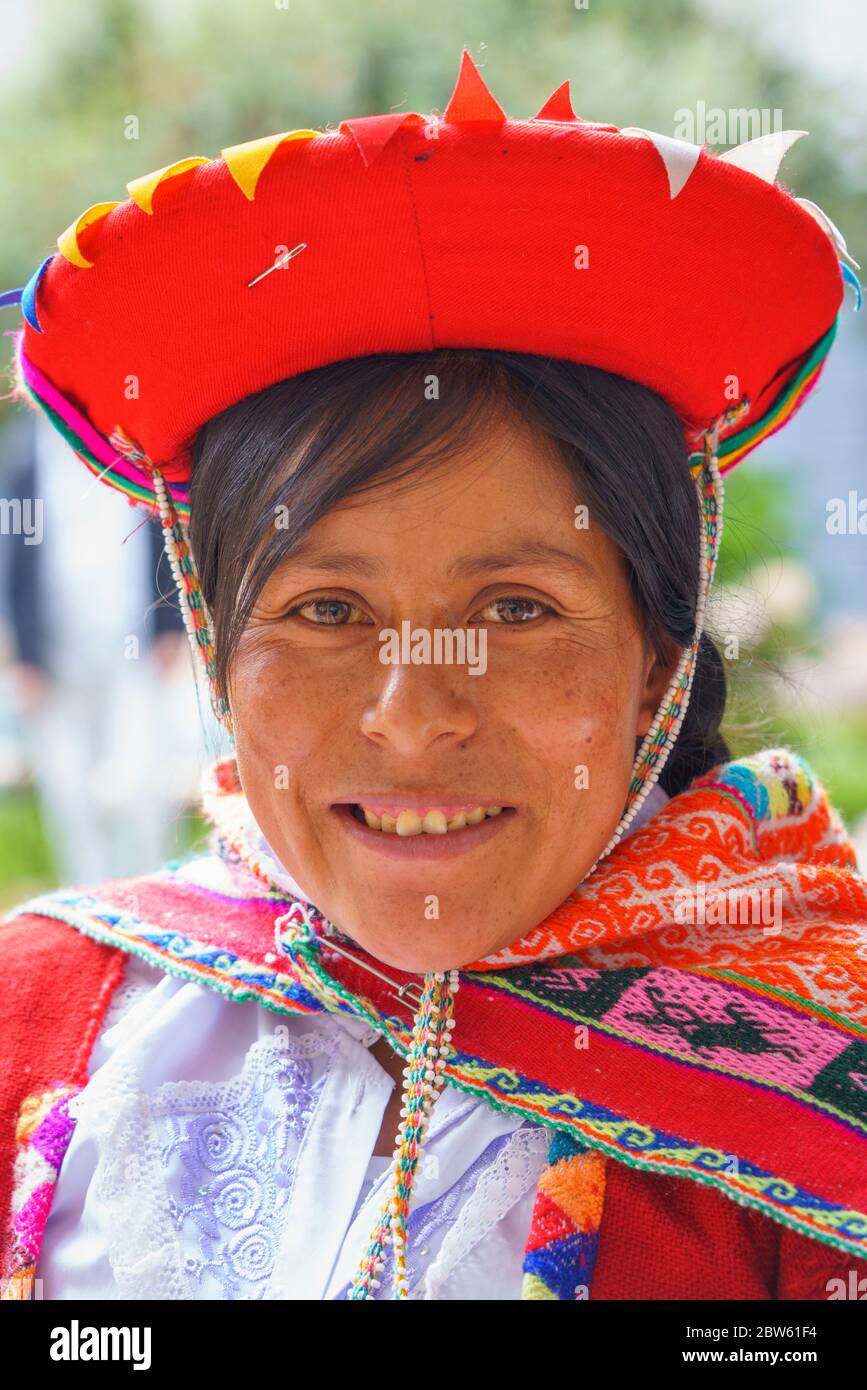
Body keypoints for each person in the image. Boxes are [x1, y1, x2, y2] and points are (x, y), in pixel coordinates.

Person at [1, 49, 865, 1301]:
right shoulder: (46, 1017)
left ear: (657, 664)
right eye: (327, 609)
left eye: (516, 609)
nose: (411, 719)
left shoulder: (824, 1125)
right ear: (217, 648)